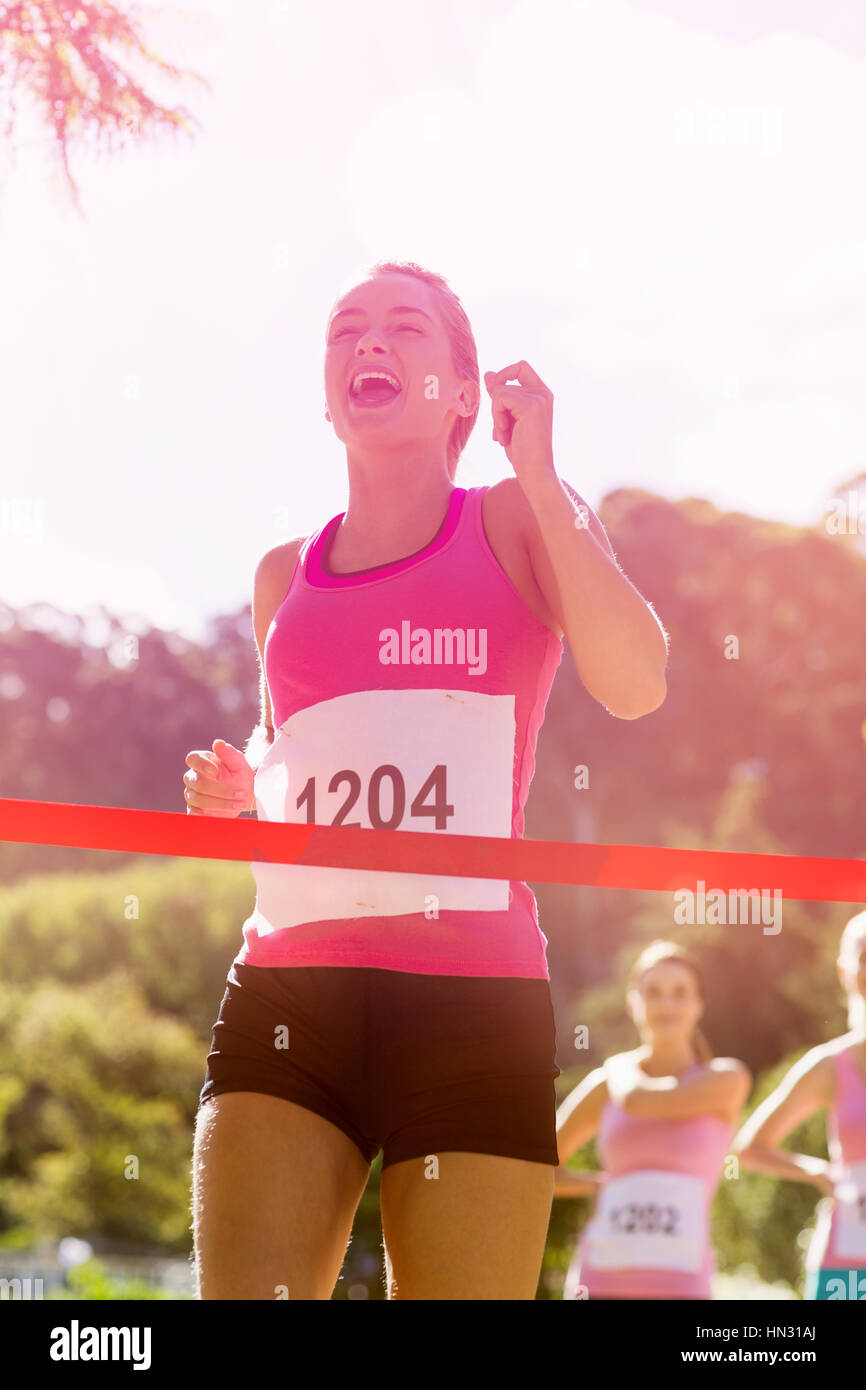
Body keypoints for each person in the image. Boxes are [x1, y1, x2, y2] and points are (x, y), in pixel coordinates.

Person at [184, 259, 669, 1299]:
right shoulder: (283, 575)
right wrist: (240, 788)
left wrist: (540, 473)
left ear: (462, 386)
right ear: (325, 396)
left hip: (472, 1012)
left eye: (404, 329)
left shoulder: (506, 519)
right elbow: (289, 761)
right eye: (345, 328)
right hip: (290, 1001)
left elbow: (635, 682)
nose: (369, 341)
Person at [555, 939, 751, 1299]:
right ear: (633, 1002)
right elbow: (540, 1165)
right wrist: (597, 1184)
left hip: (682, 1283)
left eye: (679, 992)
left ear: (698, 1005)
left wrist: (618, 1066)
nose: (666, 1003)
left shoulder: (726, 1080)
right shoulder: (605, 1085)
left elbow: (639, 1100)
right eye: (654, 992)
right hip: (598, 1280)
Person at [732, 910, 866, 1300]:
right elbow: (749, 1147)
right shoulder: (829, 1066)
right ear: (843, 970)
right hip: (847, 1267)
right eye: (864, 956)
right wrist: (820, 1172)